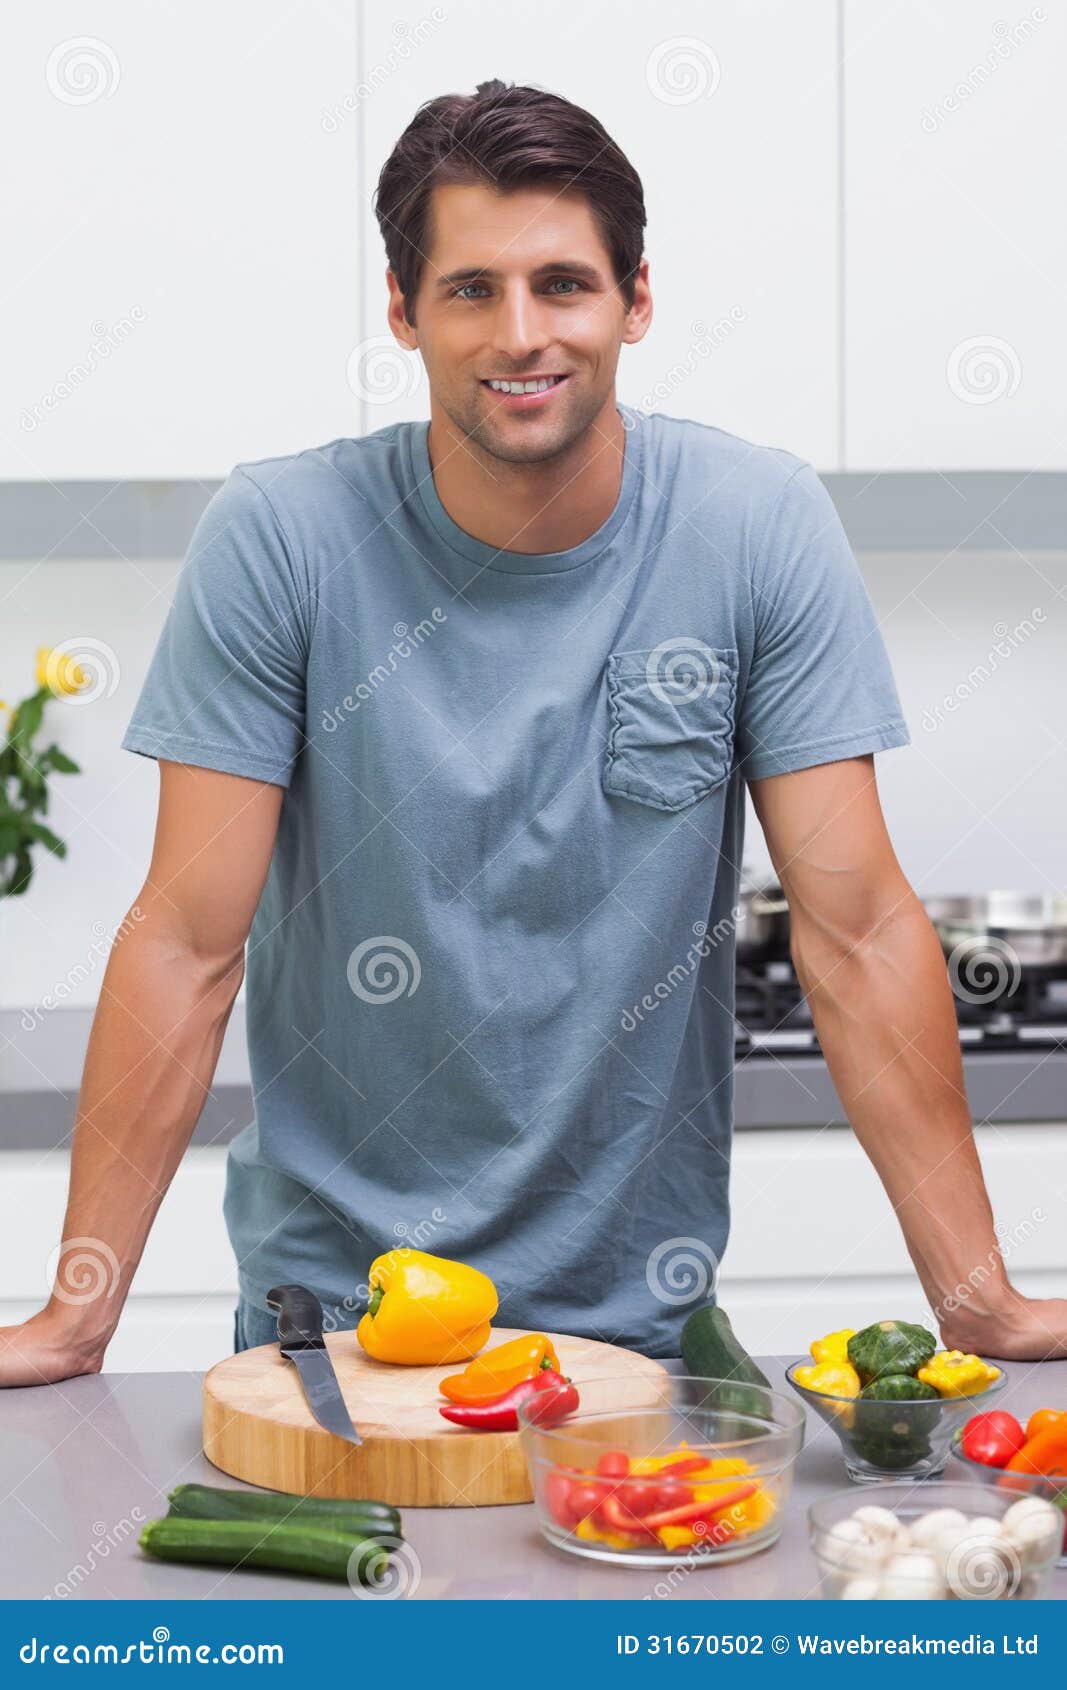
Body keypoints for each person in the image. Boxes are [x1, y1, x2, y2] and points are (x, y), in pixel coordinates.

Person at [3, 78, 1063, 1387]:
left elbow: (855, 929)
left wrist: (980, 1301)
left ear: (636, 299)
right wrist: (76, 1309)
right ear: (402, 309)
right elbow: (184, 939)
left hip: (643, 1333)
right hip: (340, 1328)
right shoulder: (281, 540)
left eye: (564, 283)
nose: (522, 334)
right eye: (470, 289)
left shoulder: (753, 526)